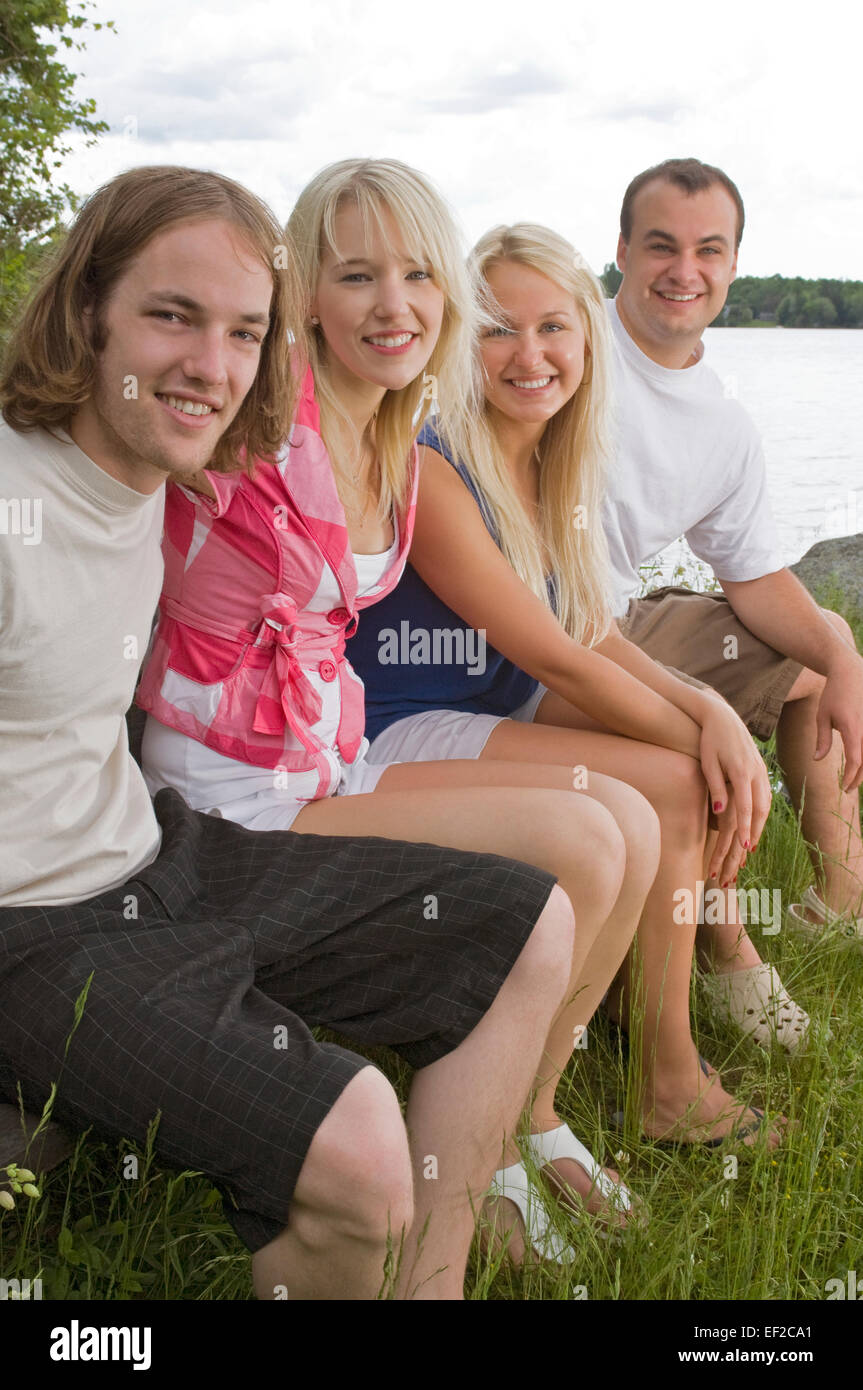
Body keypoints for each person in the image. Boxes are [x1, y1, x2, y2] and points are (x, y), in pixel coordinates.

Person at [0, 163, 581, 1301]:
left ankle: (430, 1284)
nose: (211, 367)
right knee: (360, 1147)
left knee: (527, 923)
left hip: (160, 855)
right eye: (171, 316)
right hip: (33, 930)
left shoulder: (167, 474)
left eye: (244, 332)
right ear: (86, 311)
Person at [137, 158, 665, 1257]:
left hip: (325, 765)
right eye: (356, 274)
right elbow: (139, 426)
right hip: (233, 795)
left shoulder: (393, 439)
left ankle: (527, 1113)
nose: (393, 304)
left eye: (419, 274)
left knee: (624, 820)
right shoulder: (255, 416)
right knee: (574, 834)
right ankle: (461, 1188)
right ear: (305, 295)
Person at [347, 220, 792, 1152]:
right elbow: (551, 655)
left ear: (588, 342)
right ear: (461, 340)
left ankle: (642, 1034)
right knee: (677, 778)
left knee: (688, 761)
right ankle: (647, 1079)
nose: (530, 354)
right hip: (397, 723)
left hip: (485, 703)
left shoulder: (553, 453)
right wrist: (700, 744)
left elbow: (589, 623)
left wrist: (707, 707)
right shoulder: (434, 459)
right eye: (499, 328)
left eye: (555, 327)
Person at [603, 158, 863, 1016]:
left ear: (733, 265)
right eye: (661, 246)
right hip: (543, 630)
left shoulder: (721, 422)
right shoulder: (564, 353)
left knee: (821, 651)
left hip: (619, 614)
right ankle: (724, 956)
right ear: (621, 252)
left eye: (708, 250)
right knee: (687, 732)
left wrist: (839, 649)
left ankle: (838, 902)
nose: (685, 270)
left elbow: (750, 577)